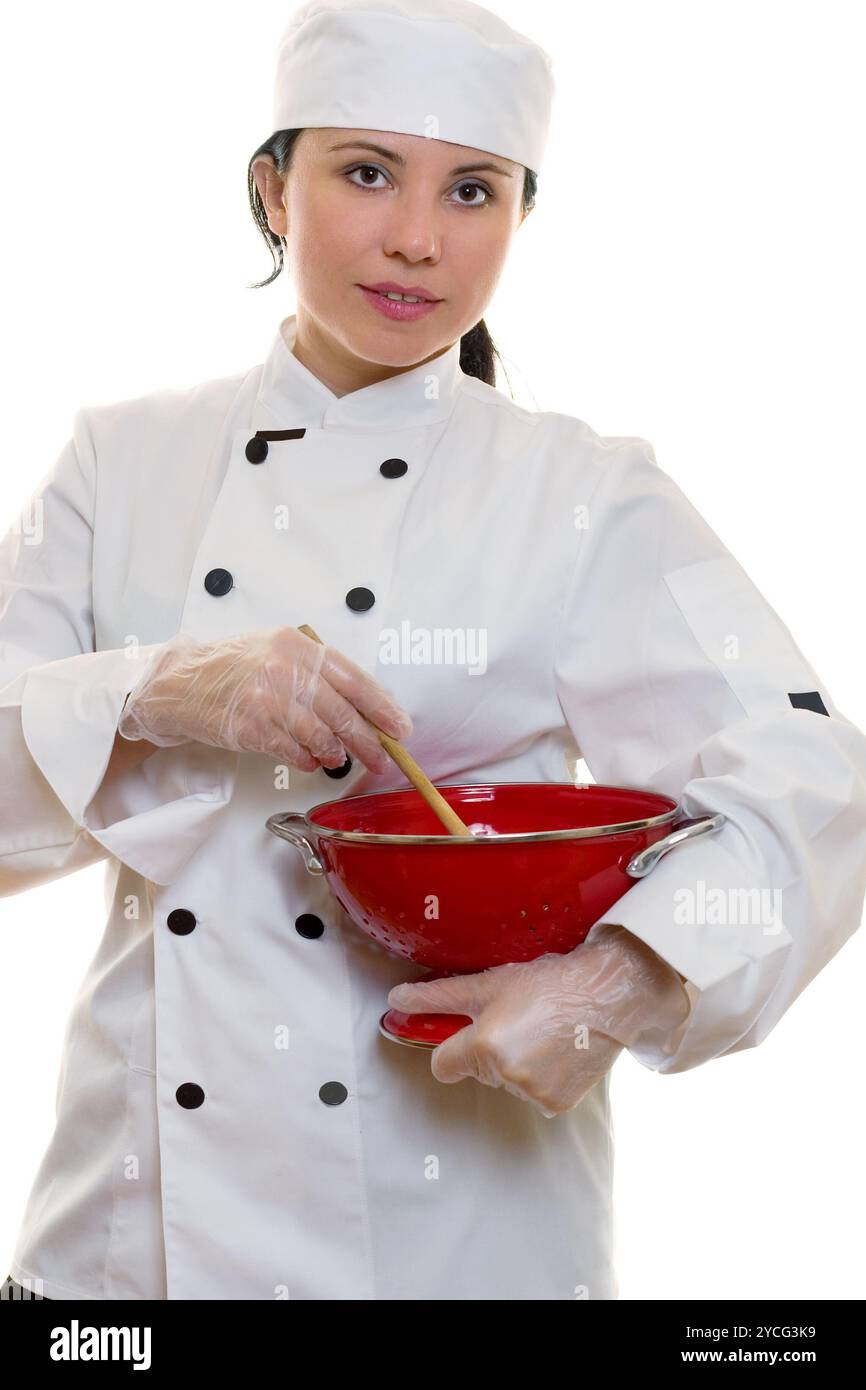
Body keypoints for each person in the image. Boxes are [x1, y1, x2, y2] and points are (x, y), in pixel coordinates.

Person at [2, 0, 865, 1302]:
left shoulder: (584, 491)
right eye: (363, 172)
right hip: (122, 1254)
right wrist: (153, 692)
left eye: (473, 189)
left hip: (452, 1248)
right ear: (270, 189)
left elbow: (814, 773)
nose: (417, 237)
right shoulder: (120, 459)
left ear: (521, 215)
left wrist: (618, 981)